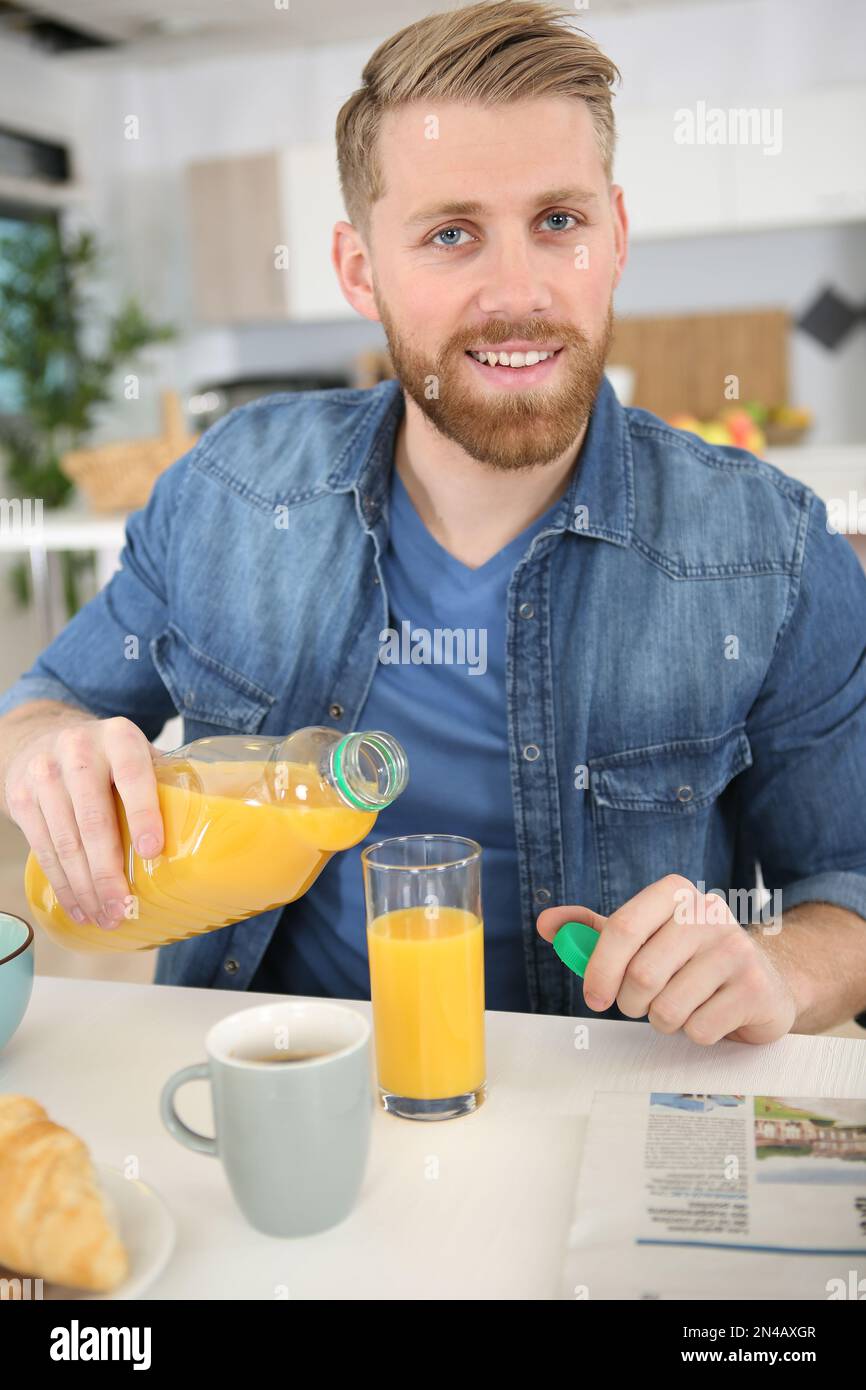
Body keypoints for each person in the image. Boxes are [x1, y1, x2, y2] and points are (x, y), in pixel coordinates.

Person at [1, 1, 865, 1044]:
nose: (519, 292)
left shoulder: (767, 548)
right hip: (279, 1073)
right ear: (359, 269)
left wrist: (779, 966)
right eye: (451, 234)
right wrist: (47, 752)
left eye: (558, 222)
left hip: (607, 1103)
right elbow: (48, 703)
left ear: (615, 235)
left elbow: (846, 887)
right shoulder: (225, 491)